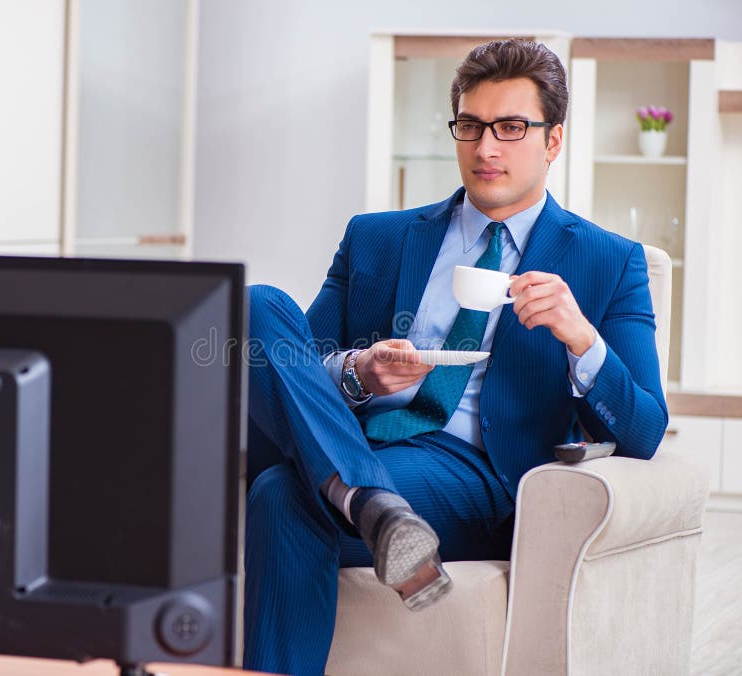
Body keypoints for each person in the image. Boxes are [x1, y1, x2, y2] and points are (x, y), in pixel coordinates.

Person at [242, 39, 668, 676]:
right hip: (361, 441)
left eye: (511, 128)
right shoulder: (377, 237)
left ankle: (365, 499)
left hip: (478, 475)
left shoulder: (609, 261)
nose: (486, 148)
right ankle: (370, 503)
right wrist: (357, 374)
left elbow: (646, 430)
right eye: (471, 126)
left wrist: (581, 337)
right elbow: (294, 366)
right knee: (255, 305)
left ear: (553, 141)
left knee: (281, 493)